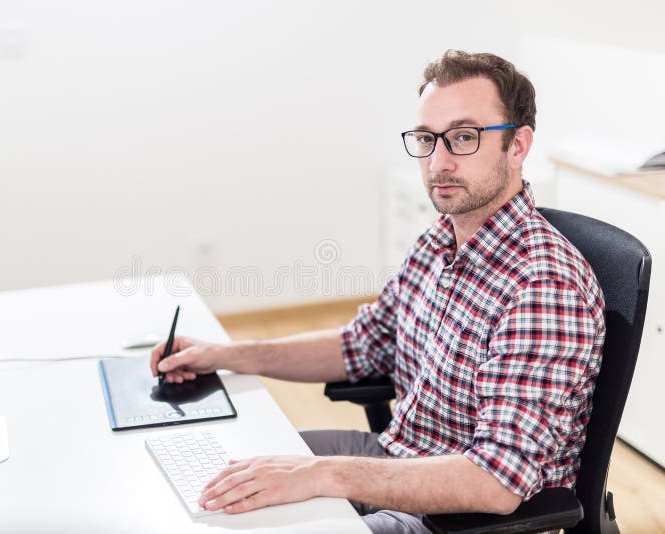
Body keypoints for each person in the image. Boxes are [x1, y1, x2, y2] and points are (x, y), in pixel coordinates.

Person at [149, 50, 605, 534]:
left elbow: (496, 482)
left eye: (464, 137)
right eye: (428, 139)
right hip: (398, 456)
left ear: (518, 146)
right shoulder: (440, 240)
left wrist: (324, 475)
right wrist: (223, 354)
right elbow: (360, 344)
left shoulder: (542, 285)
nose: (439, 161)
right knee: (219, 483)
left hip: (458, 517)